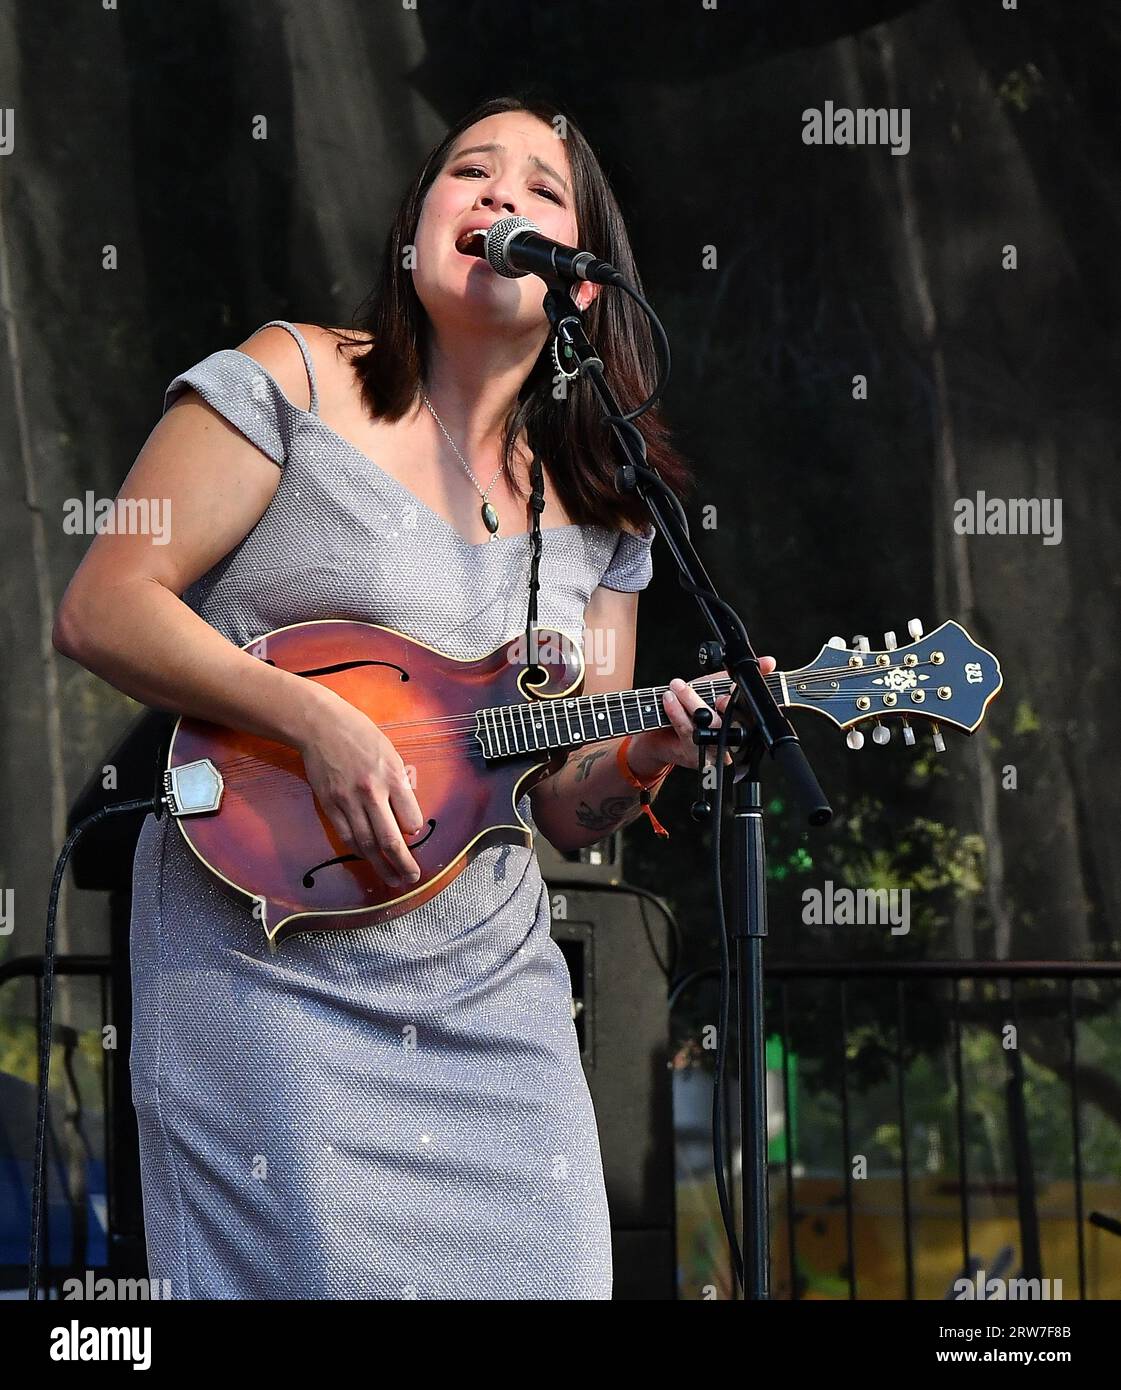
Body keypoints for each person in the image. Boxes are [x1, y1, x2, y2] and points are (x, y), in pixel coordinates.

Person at [53, 93, 773, 1299]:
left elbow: (560, 805)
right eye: (469, 173)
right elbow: (104, 603)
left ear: (581, 286)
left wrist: (649, 750)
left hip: (493, 999)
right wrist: (312, 719)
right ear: (412, 235)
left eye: (541, 191)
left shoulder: (600, 507)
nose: (499, 198)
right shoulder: (285, 378)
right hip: (268, 966)